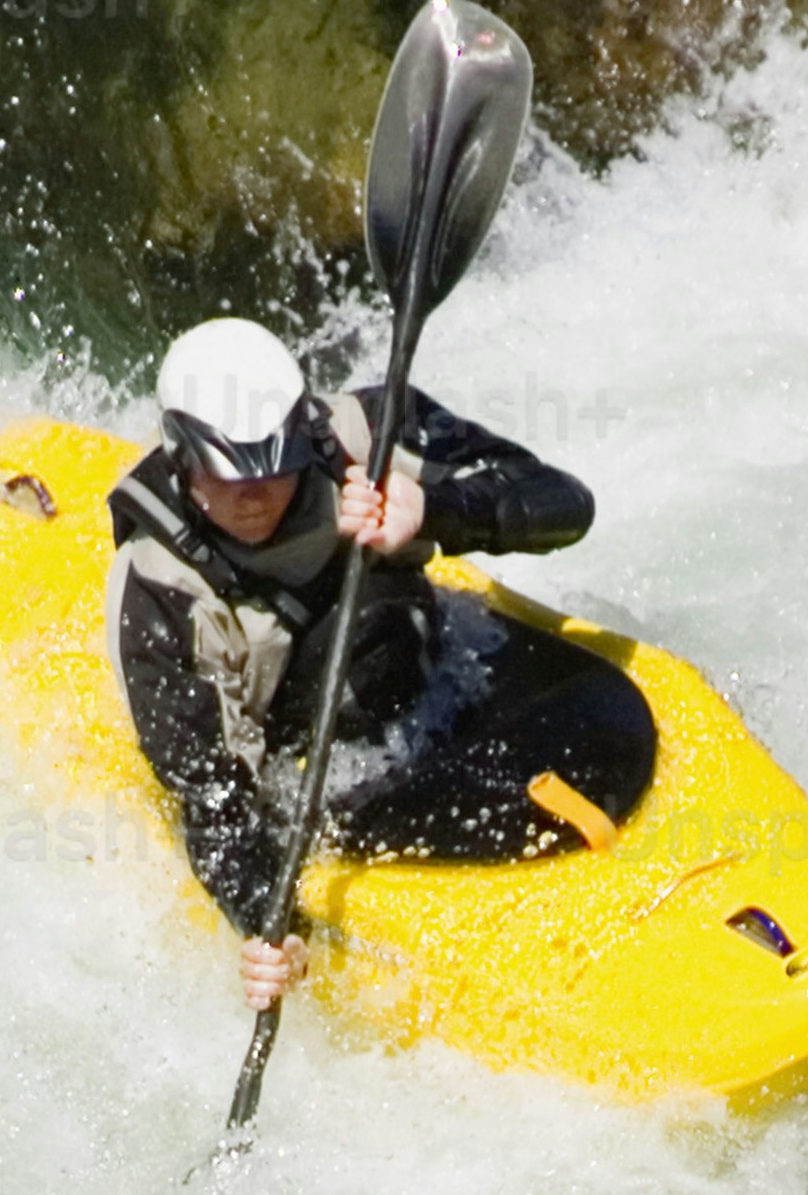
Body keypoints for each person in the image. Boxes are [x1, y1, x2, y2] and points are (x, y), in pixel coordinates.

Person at [108, 318, 659, 1008]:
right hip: (295, 751)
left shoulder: (358, 434)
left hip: (417, 659)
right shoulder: (157, 595)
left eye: (275, 465)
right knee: (359, 649)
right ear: (179, 454)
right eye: (229, 472)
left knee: (375, 627)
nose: (255, 496)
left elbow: (564, 503)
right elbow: (215, 804)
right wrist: (267, 924)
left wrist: (437, 509)